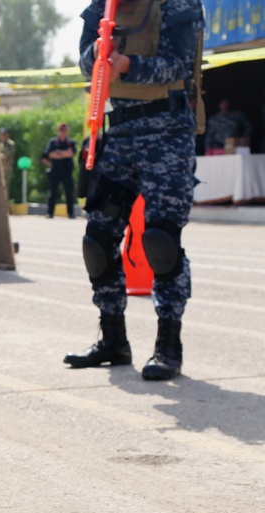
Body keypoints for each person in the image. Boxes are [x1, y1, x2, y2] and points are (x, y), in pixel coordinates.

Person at [64, 0, 203, 381]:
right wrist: (96, 53)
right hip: (120, 131)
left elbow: (178, 65)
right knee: (97, 240)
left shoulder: (176, 3)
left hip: (167, 129)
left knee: (161, 241)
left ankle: (168, 345)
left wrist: (126, 65)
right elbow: (84, 65)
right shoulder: (103, 7)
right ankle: (113, 340)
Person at [40, 122, 76, 218]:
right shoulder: (53, 142)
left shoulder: (70, 142)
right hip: (55, 170)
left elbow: (71, 153)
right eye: (61, 130)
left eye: (65, 130)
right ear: (58, 131)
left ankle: (71, 213)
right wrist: (65, 153)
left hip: (67, 171)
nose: (63, 132)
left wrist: (58, 153)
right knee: (53, 192)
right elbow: (49, 155)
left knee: (69, 192)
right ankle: (50, 213)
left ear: (67, 131)